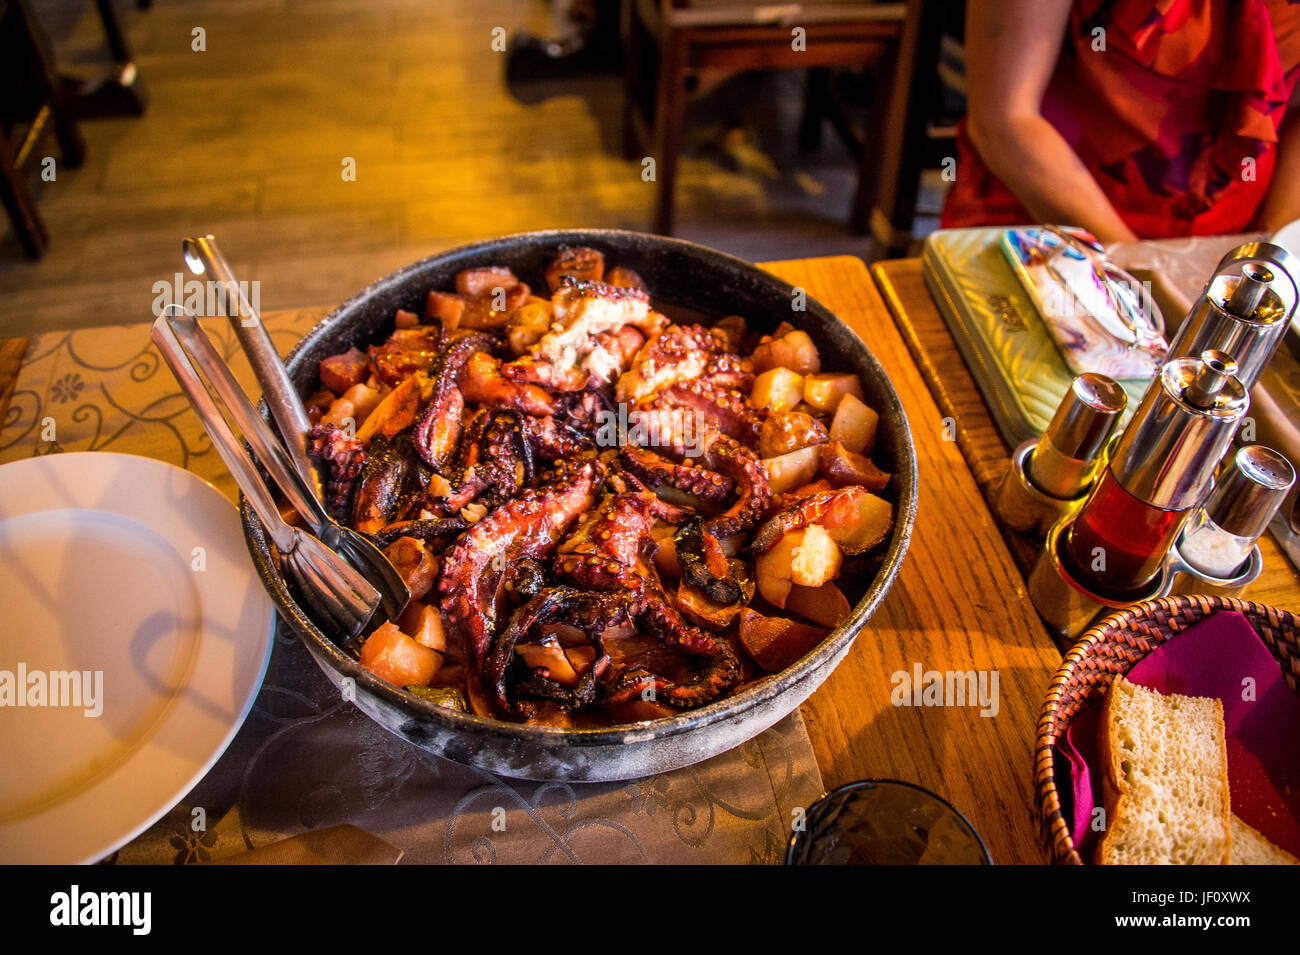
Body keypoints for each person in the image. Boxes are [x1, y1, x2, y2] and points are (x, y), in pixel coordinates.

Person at [942, 0, 1300, 242]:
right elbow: (1004, 120)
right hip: (1041, 230)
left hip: (1233, 245)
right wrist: (1143, 277)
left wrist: (1273, 253)